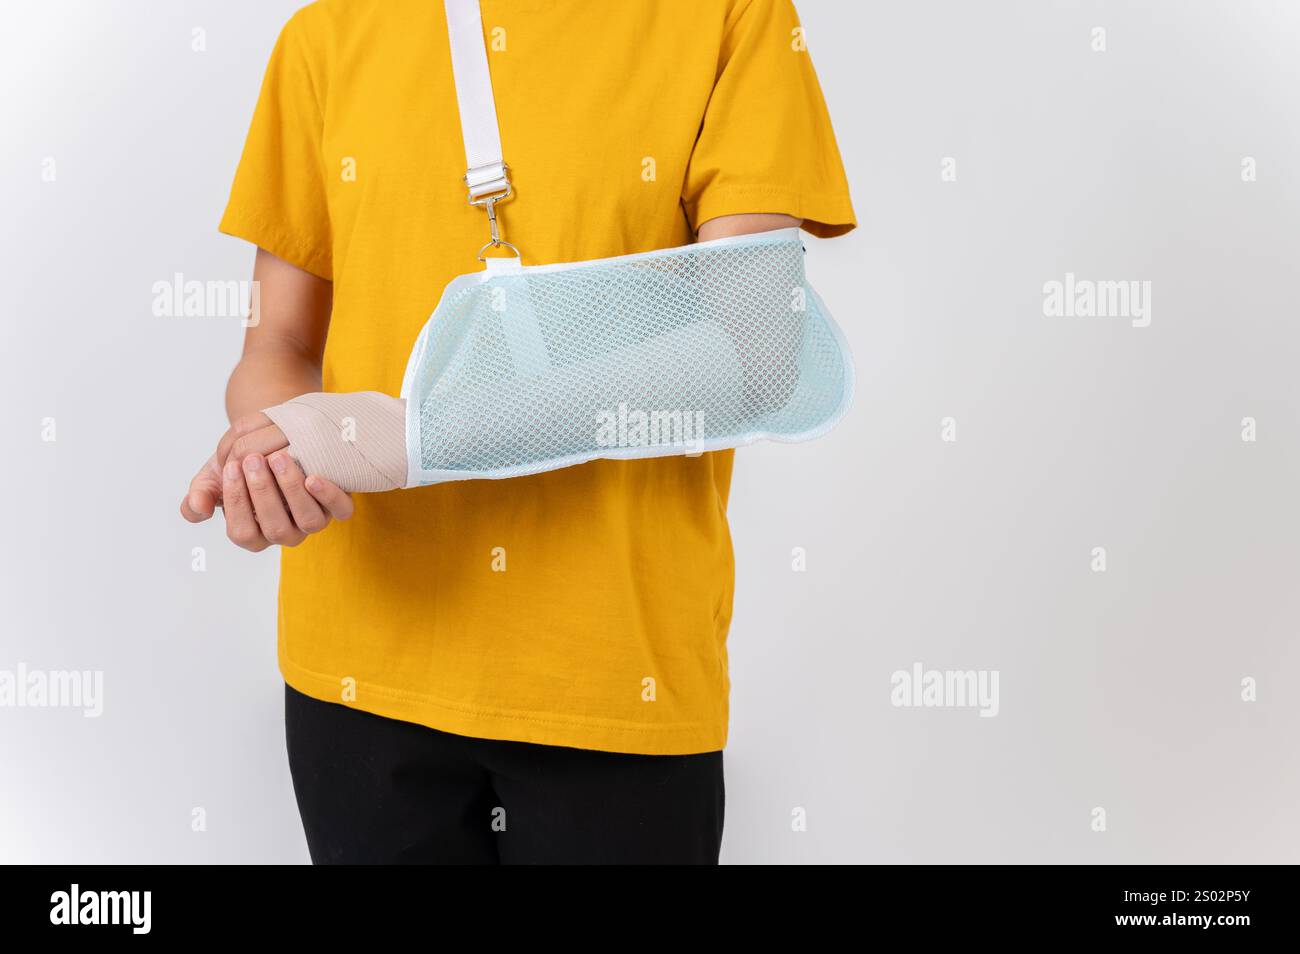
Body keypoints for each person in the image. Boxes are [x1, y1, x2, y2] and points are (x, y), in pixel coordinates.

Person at [181, 0, 854, 864]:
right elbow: (277, 344)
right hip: (356, 670)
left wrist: (420, 438)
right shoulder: (328, 35)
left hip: (613, 676)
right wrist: (269, 450)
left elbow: (754, 352)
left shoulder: (730, 18)